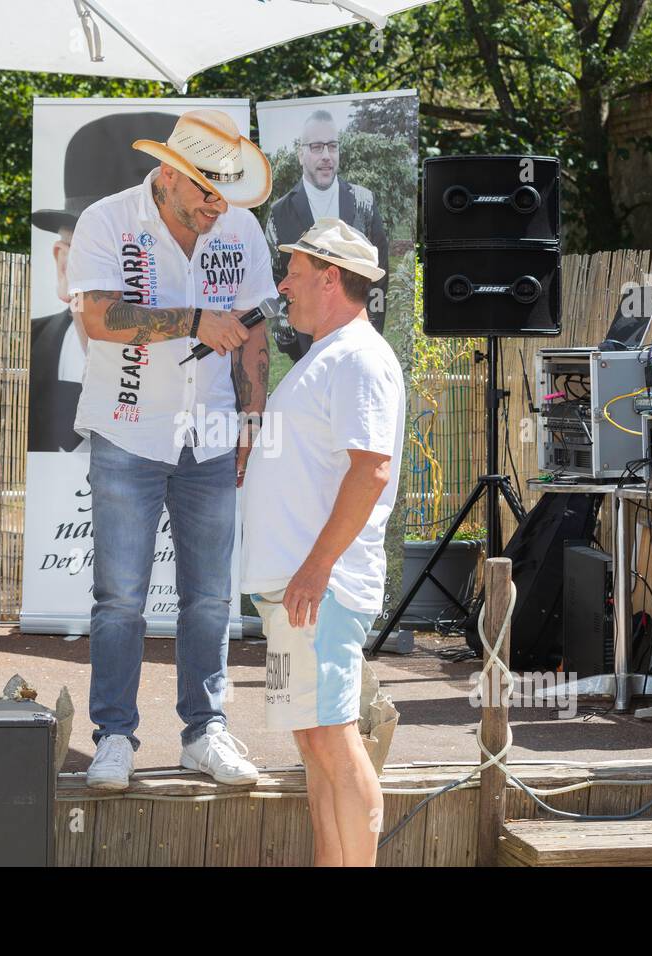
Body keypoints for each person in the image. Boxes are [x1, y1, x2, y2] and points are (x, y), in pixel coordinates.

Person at [67, 109, 275, 790]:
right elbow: (99, 317)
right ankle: (114, 737)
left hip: (211, 431)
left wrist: (251, 417)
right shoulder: (107, 220)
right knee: (120, 598)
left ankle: (205, 731)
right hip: (127, 429)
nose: (218, 206)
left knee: (211, 597)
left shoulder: (240, 229)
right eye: (207, 191)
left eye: (226, 192)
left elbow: (254, 331)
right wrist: (191, 320)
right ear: (169, 175)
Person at [240, 218, 405, 866]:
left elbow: (372, 470)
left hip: (320, 592)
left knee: (333, 742)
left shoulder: (358, 357)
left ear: (330, 278)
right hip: (299, 593)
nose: (284, 285)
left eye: (295, 273)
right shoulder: (328, 357)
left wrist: (316, 568)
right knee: (313, 745)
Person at [28, 112, 178, 452]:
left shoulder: (223, 379)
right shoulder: (19, 361)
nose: (139, 294)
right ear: (64, 268)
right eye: (100, 263)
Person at [263, 109, 390, 361]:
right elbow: (274, 280)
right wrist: (291, 341)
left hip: (357, 344)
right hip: (303, 350)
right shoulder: (279, 213)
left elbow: (378, 274)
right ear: (301, 154)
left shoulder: (363, 202)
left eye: (332, 146)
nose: (326, 156)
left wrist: (370, 331)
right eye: (316, 147)